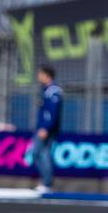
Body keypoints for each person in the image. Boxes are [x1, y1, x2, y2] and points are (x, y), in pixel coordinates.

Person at [31, 65, 63, 194]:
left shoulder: (53, 91)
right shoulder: (46, 90)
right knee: (41, 153)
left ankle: (47, 182)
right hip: (43, 128)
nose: (38, 77)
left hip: (46, 129)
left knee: (40, 153)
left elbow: (52, 113)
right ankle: (46, 182)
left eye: (40, 74)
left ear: (46, 75)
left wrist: (45, 128)